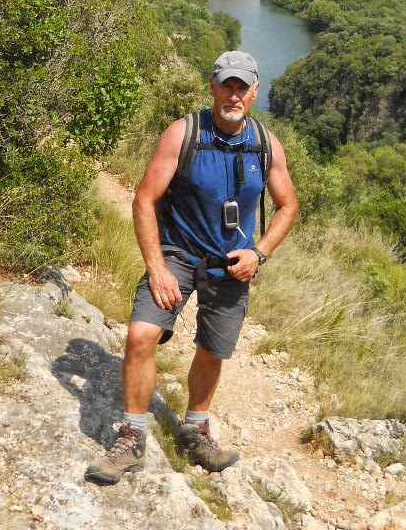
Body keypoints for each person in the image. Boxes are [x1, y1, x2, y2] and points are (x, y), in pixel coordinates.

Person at [85, 50, 298, 485]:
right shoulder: (183, 134)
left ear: (254, 93)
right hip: (178, 255)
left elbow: (288, 205)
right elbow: (144, 200)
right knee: (141, 335)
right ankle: (132, 437)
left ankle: (195, 431)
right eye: (227, 85)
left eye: (242, 87)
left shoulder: (265, 144)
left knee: (212, 350)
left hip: (232, 265)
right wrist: (157, 267)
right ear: (212, 87)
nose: (233, 95)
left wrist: (258, 254)